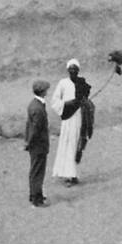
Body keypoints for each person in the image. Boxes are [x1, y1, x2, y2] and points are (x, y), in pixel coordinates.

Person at [50, 58, 92, 187]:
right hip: (68, 118)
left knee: (76, 145)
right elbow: (55, 101)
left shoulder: (82, 82)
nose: (73, 71)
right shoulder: (63, 83)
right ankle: (68, 175)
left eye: (75, 69)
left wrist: (83, 102)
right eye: (71, 69)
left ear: (78, 71)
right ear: (68, 70)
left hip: (79, 117)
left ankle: (72, 174)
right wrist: (67, 104)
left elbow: (86, 96)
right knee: (67, 145)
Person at [24, 78, 51, 207]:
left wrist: (27, 141)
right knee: (38, 172)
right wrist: (30, 142)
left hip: (35, 145)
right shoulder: (38, 108)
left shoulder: (33, 104)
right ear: (43, 91)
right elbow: (35, 129)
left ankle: (35, 194)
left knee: (35, 170)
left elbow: (29, 126)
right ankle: (36, 199)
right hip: (38, 145)